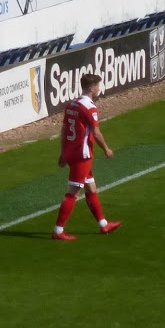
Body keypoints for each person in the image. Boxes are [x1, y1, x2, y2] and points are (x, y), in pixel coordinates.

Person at [53, 73, 122, 240]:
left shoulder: (72, 104)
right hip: (82, 155)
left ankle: (103, 225)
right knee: (73, 192)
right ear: (91, 88)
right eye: (98, 86)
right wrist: (106, 149)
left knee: (91, 187)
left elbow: (63, 131)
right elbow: (96, 133)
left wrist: (63, 153)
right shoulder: (89, 108)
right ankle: (58, 230)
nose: (99, 89)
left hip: (72, 152)